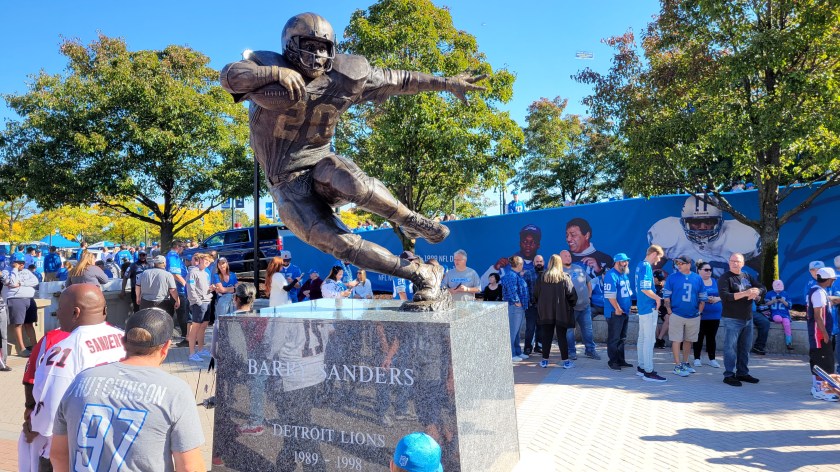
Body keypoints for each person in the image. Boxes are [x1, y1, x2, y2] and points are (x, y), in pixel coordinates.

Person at [220, 13, 486, 306]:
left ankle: (410, 220)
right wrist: (273, 75)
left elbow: (400, 79)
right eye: (310, 45)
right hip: (285, 183)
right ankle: (421, 274)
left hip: (319, 161)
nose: (318, 54)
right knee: (342, 245)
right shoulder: (267, 66)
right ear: (290, 44)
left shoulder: (342, 77)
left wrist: (447, 83)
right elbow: (229, 76)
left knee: (347, 179)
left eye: (324, 47)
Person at [50, 308, 206, 471]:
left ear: (124, 342)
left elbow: (58, 455)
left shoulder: (81, 380)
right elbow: (190, 467)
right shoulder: (175, 391)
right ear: (166, 346)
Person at [29, 284, 125, 470]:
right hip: (118, 444)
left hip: (73, 451)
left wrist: (38, 428)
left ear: (75, 312)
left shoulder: (64, 350)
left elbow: (51, 406)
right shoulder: (126, 339)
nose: (57, 313)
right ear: (105, 310)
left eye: (60, 308)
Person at [648, 195, 761, 277]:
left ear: (720, 222)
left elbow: (766, 271)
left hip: (722, 296)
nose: (702, 227)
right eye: (696, 222)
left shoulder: (738, 235)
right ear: (684, 223)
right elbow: (649, 271)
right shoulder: (669, 233)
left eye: (709, 221)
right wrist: (669, 282)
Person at [718, 252, 764, 387]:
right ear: (729, 263)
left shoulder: (747, 276)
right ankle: (729, 375)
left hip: (748, 318)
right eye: (732, 261)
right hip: (732, 318)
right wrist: (745, 293)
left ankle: (742, 373)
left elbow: (762, 287)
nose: (735, 263)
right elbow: (725, 296)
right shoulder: (725, 278)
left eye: (737, 261)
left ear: (743, 263)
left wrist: (757, 292)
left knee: (745, 347)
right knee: (730, 348)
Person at [663, 255, 707, 377]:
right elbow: (666, 296)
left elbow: (703, 297)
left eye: (681, 263)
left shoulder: (697, 278)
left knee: (689, 340)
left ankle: (685, 362)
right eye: (677, 263)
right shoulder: (672, 278)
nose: (679, 265)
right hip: (676, 314)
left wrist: (699, 312)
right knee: (677, 340)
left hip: (693, 315)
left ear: (689, 264)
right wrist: (669, 311)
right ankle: (677, 366)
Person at [534, 254, 577, 368]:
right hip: (561, 313)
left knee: (546, 336)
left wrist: (540, 305)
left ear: (549, 263)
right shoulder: (564, 277)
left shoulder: (542, 277)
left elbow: (535, 295)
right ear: (560, 263)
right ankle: (566, 362)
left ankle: (544, 361)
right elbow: (572, 295)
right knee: (562, 337)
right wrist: (570, 306)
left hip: (545, 313)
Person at [806, 267, 839, 401]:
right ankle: (824, 391)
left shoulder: (817, 290)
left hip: (817, 334)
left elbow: (830, 300)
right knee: (825, 363)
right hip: (820, 335)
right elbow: (818, 316)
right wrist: (825, 335)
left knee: (817, 362)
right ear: (828, 279)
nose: (833, 281)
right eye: (832, 279)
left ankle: (817, 388)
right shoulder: (819, 293)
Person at [635, 245, 667, 382]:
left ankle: (642, 367)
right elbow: (645, 289)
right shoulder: (647, 267)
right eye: (658, 257)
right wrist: (658, 298)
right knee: (649, 340)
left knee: (642, 338)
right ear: (654, 254)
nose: (658, 261)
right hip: (648, 307)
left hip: (642, 307)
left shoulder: (639, 265)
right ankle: (648, 371)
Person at [3, 253, 39, 356]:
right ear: (13, 263)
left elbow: (35, 281)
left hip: (29, 299)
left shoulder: (27, 271)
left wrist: (21, 283)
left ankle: (35, 347)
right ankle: (22, 349)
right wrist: (14, 269)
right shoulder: (7, 271)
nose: (22, 265)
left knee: (29, 324)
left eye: (23, 263)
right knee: (18, 324)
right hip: (15, 299)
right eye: (19, 263)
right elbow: (12, 282)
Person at [604, 253, 634, 370]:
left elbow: (628, 293)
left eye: (626, 261)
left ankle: (621, 360)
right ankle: (613, 361)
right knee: (614, 338)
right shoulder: (611, 275)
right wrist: (617, 308)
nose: (626, 263)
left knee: (622, 338)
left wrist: (629, 306)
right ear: (617, 262)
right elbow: (610, 295)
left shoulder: (624, 274)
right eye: (623, 261)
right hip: (615, 312)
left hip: (624, 311)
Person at [694, 261, 723, 367]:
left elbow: (724, 295)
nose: (709, 272)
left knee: (711, 337)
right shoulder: (696, 282)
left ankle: (712, 359)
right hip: (701, 314)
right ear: (699, 271)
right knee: (699, 336)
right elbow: (693, 296)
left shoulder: (716, 281)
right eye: (706, 270)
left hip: (715, 315)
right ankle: (697, 358)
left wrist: (717, 298)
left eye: (710, 270)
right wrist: (705, 299)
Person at [501, 256, 529, 363]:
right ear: (518, 264)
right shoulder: (511, 275)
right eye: (521, 263)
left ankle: (517, 351)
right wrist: (517, 302)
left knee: (516, 332)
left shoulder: (516, 275)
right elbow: (512, 290)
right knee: (512, 331)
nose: (523, 265)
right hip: (514, 307)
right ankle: (511, 354)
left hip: (518, 307)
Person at [186, 253, 213, 362]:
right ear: (200, 260)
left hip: (207, 301)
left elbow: (204, 287)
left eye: (209, 262)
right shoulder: (193, 272)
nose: (207, 263)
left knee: (203, 326)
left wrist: (211, 289)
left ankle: (201, 349)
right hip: (199, 303)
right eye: (206, 261)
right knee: (195, 327)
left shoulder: (205, 273)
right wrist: (197, 302)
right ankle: (192, 353)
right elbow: (190, 288)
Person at [521, 254, 544, 355]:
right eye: (537, 262)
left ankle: (539, 346)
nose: (539, 263)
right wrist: (527, 304)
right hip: (531, 307)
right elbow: (524, 290)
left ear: (543, 263)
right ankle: (527, 347)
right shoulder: (528, 274)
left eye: (540, 261)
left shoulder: (547, 274)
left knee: (541, 328)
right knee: (530, 328)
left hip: (544, 308)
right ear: (533, 263)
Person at [766, 279, 794, 349]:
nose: (778, 291)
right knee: (777, 319)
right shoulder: (769, 293)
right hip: (775, 313)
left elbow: (789, 306)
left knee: (787, 324)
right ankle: (788, 342)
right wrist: (774, 301)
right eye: (776, 289)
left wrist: (782, 300)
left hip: (785, 314)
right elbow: (766, 304)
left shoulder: (785, 294)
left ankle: (789, 342)